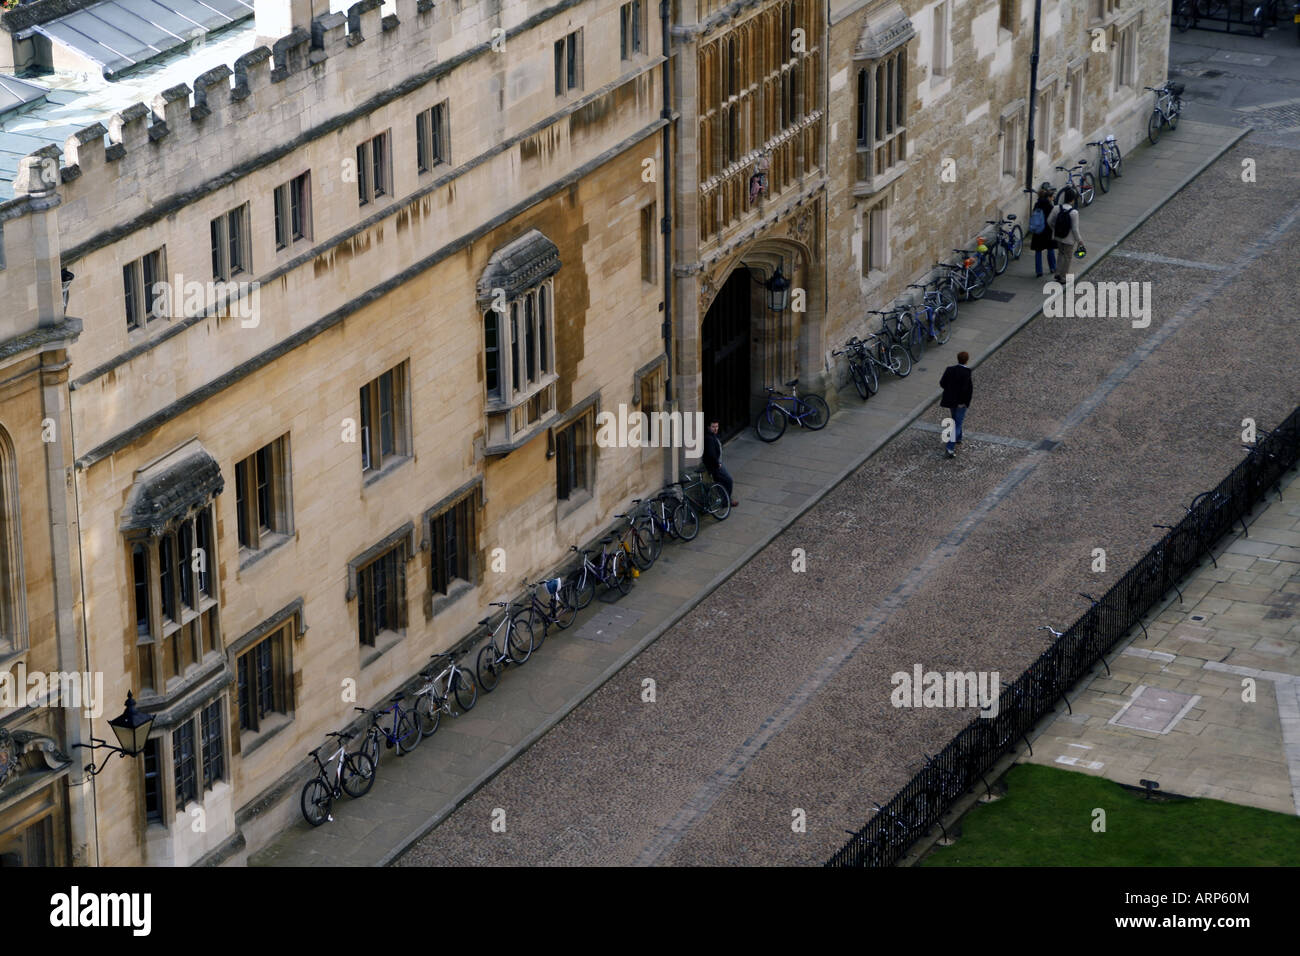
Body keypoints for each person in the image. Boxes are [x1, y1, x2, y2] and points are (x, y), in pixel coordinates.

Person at [1046, 188, 1085, 285]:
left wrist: (1055, 229)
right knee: (1067, 257)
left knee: (1060, 254)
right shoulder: (1074, 212)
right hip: (1069, 239)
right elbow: (1075, 229)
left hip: (1058, 237)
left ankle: (1058, 273)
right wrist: (1080, 240)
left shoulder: (1056, 208)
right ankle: (1063, 277)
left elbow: (1049, 221)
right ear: (1072, 200)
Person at [939, 352, 973, 458]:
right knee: (957, 424)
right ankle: (950, 448)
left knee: (955, 419)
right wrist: (965, 402)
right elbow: (967, 390)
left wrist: (950, 391)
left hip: (950, 401)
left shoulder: (950, 369)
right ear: (967, 360)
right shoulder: (967, 372)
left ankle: (958, 438)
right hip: (960, 403)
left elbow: (942, 383)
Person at [703, 420, 738, 506]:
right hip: (715, 466)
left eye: (717, 426)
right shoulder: (709, 438)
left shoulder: (713, 436)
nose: (715, 429)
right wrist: (717, 464)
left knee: (721, 482)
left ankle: (725, 499)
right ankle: (726, 501)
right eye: (713, 427)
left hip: (717, 464)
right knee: (728, 480)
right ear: (709, 427)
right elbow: (711, 454)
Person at [1029, 182, 1057, 279]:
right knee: (1050, 249)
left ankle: (1038, 271)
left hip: (1038, 231)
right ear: (1048, 197)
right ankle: (1053, 267)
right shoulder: (1049, 206)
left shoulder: (1037, 205)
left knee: (1038, 251)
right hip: (1048, 231)